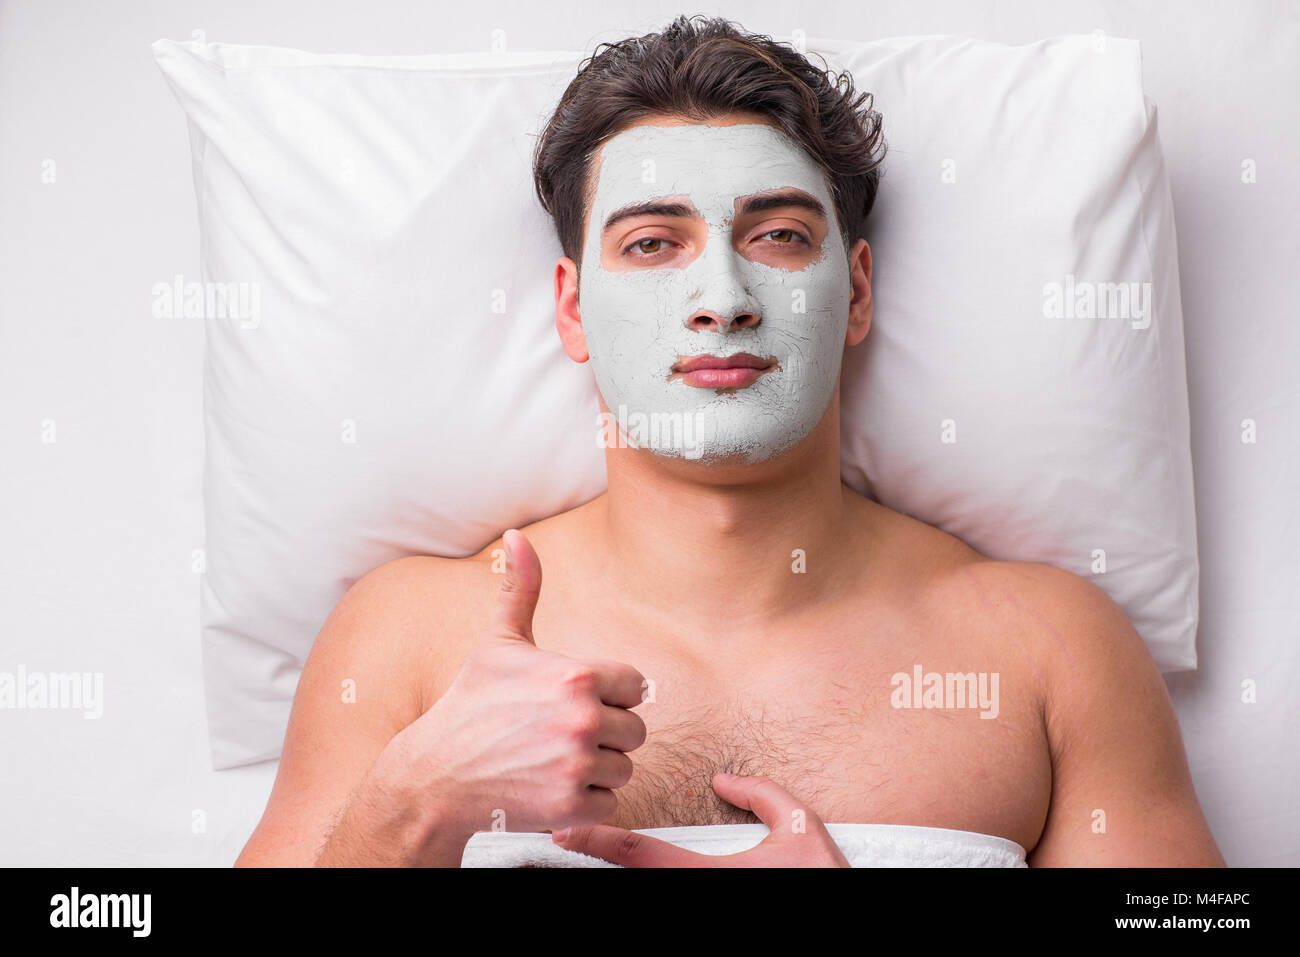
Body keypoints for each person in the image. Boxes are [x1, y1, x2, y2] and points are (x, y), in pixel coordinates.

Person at [235, 14, 1224, 868]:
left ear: (859, 294)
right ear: (572, 310)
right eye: (653, 244)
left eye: (778, 236)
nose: (721, 301)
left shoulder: (1047, 652)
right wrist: (408, 805)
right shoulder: (407, 641)